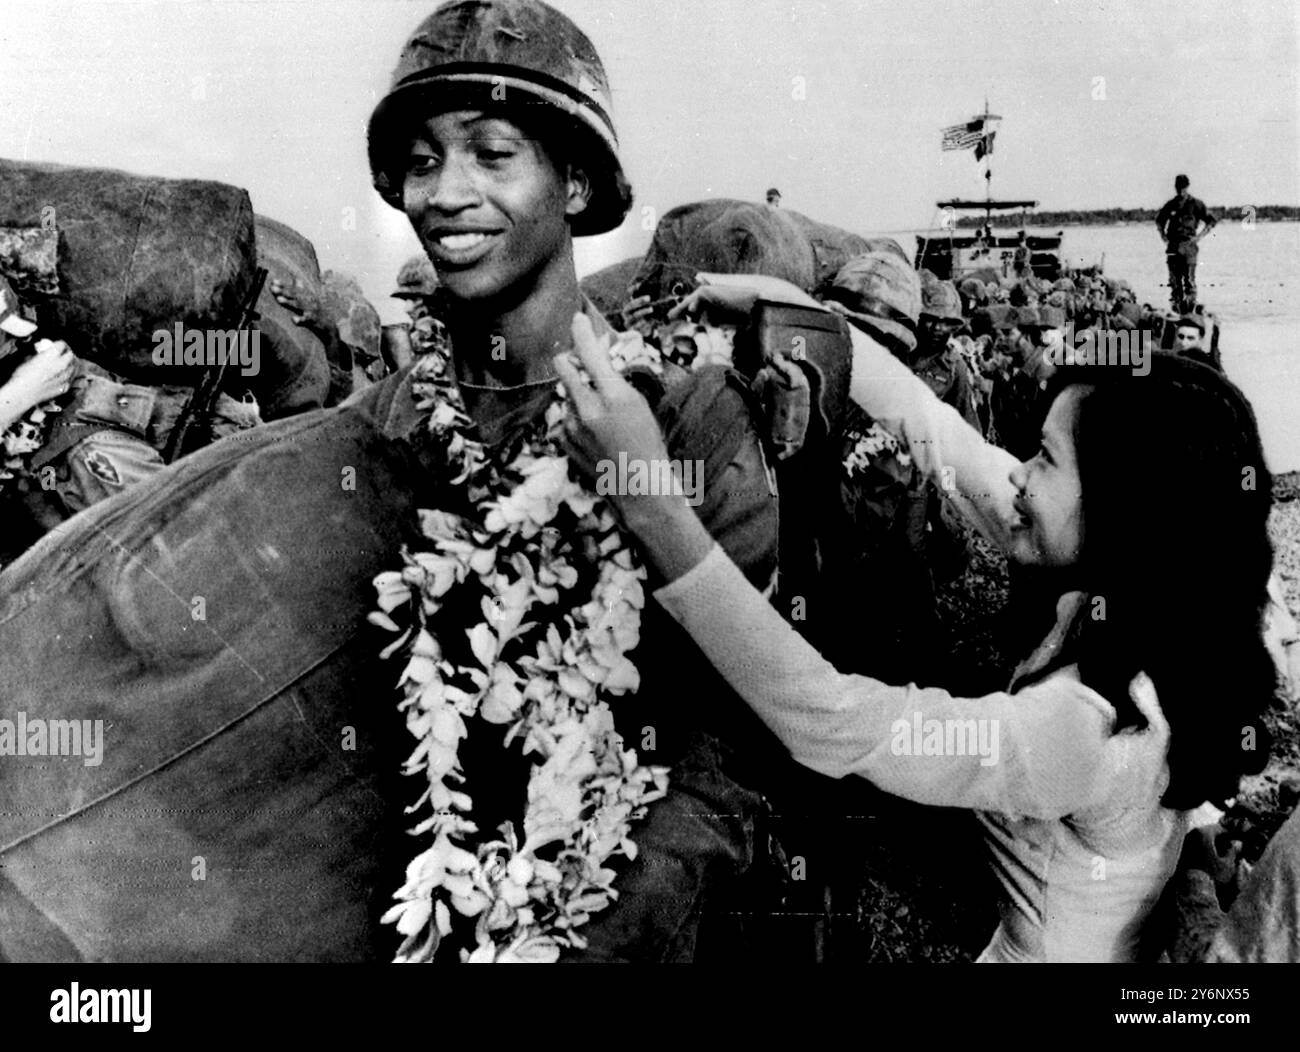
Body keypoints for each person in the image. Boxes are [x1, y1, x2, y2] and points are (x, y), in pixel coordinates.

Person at [0, 0, 811, 964]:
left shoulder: (685, 427)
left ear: (577, 180)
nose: (447, 192)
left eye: (492, 153)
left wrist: (588, 943)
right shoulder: (360, 442)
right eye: (422, 161)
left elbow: (725, 756)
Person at [556, 280, 1276, 962]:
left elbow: (830, 717)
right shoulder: (1156, 600)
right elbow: (938, 434)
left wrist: (651, 499)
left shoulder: (1083, 733)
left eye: (1046, 460)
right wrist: (788, 306)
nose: (1019, 473)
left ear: (1124, 514)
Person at [1156, 174, 1217, 313]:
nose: (1180, 191)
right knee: (1174, 281)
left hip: (1189, 245)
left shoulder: (1196, 204)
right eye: (1178, 188)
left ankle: (1190, 311)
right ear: (1175, 187)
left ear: (1187, 187)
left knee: (1189, 280)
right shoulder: (1170, 204)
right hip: (1173, 246)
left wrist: (1199, 237)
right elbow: (1159, 221)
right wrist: (1164, 237)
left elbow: (1211, 221)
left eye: (1183, 188)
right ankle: (1177, 311)